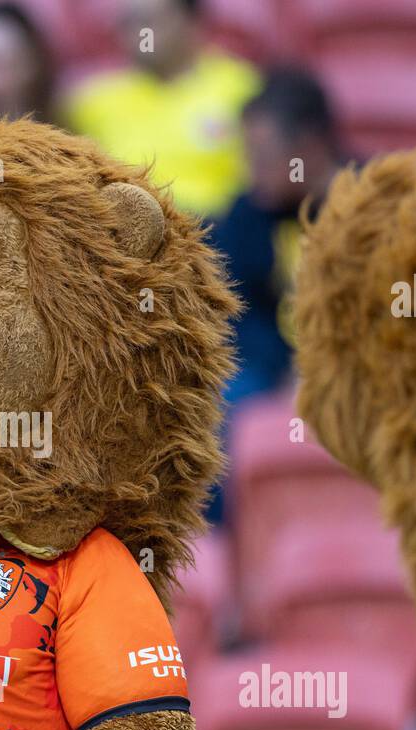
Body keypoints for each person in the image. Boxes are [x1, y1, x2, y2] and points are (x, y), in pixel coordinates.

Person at [203, 67, 344, 524]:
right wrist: (286, 372)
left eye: (263, 156)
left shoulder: (372, 205)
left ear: (309, 146)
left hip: (358, 371)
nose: (252, 170)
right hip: (268, 371)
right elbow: (232, 319)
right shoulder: (248, 213)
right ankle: (220, 550)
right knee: (210, 407)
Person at [64, 0, 261, 218]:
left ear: (191, 22)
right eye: (129, 23)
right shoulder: (93, 103)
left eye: (149, 21)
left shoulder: (243, 88)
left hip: (224, 233)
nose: (139, 33)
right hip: (134, 235)